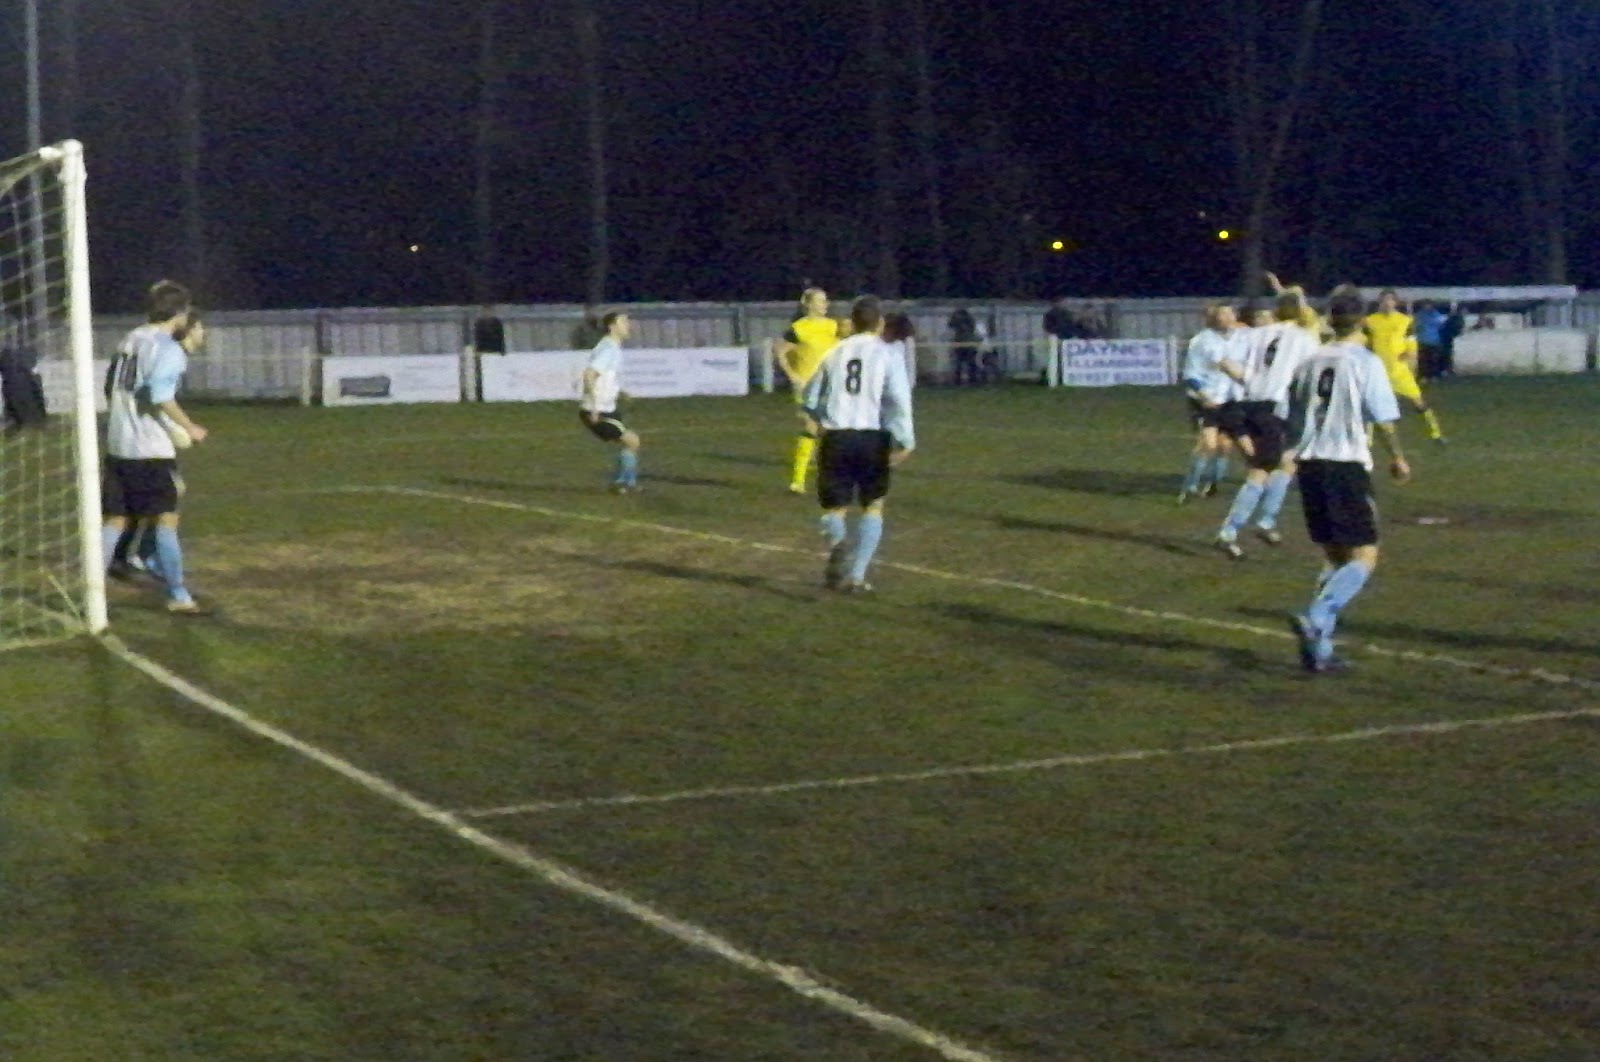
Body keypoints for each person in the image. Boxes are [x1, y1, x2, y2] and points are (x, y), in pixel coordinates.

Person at [1286, 294, 1410, 674]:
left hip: (1309, 464)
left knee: (1335, 556)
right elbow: (1382, 416)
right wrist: (1397, 457)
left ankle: (1319, 651)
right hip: (1345, 464)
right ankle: (1317, 615)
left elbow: (1291, 416)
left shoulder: (1307, 362)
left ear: (1329, 320)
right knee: (1365, 555)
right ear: (1363, 322)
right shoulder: (1365, 362)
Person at [102, 280, 210, 615]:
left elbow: (109, 387)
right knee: (166, 519)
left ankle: (91, 592)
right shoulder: (168, 349)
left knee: (116, 520)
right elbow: (161, 396)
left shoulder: (130, 339)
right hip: (148, 449)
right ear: (180, 313)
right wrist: (188, 427)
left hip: (118, 445)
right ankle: (178, 594)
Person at [800, 295, 915, 594]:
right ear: (879, 323)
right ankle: (856, 576)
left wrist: (821, 418)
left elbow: (809, 398)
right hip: (872, 438)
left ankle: (838, 544)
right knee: (873, 506)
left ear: (852, 322)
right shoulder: (887, 353)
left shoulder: (834, 352)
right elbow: (899, 400)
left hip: (836, 436)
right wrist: (906, 441)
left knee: (834, 508)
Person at [1212, 294, 1320, 558]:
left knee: (1288, 462)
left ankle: (1266, 521)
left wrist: (1252, 382)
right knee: (1260, 471)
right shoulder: (1304, 338)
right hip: (1277, 408)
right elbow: (1312, 375)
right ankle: (1228, 532)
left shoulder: (1254, 335)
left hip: (1251, 404)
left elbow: (1226, 362)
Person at [1177, 304, 1244, 503]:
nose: (1228, 317)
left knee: (1225, 445)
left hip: (1230, 399)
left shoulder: (1240, 338)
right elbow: (1190, 375)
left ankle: (1213, 484)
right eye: (1223, 314)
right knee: (1208, 444)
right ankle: (1189, 487)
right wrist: (1204, 397)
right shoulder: (1201, 341)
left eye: (1231, 313)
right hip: (1205, 399)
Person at [775, 288, 840, 494]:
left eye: (826, 300)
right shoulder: (799, 328)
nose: (826, 304)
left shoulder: (833, 326)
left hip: (831, 385)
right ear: (808, 304)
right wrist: (793, 376)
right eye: (821, 301)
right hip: (807, 386)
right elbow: (780, 351)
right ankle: (798, 480)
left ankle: (829, 472)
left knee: (829, 431)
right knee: (810, 427)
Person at [1365, 290, 1445, 442]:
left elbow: (1411, 341)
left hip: (1399, 370)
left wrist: (1410, 353)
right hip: (1379, 370)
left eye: (1390, 300)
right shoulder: (1370, 321)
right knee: (1371, 405)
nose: (1387, 303)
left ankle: (1435, 433)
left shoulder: (1405, 321)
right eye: (1384, 300)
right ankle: (1368, 440)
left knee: (1418, 402)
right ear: (1379, 303)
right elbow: (1366, 343)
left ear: (1395, 303)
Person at [578, 311, 641, 494]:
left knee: (631, 442)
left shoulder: (610, 346)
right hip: (597, 411)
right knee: (632, 441)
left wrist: (620, 392)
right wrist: (594, 406)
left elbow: (605, 377)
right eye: (624, 322)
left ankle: (627, 484)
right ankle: (621, 483)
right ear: (612, 326)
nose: (628, 325)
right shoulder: (609, 349)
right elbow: (589, 375)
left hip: (607, 408)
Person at [947, 307, 983, 386]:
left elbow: (970, 328)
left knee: (971, 363)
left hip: (969, 344)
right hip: (960, 344)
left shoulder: (969, 321)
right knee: (959, 364)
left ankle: (973, 380)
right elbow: (950, 325)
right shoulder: (957, 322)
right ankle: (958, 381)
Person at [1413, 300, 1447, 380]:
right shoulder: (1420, 315)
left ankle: (1433, 375)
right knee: (1423, 360)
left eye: (1428, 305)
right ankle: (1423, 376)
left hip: (1433, 340)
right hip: (1422, 340)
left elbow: (1442, 324)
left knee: (1433, 359)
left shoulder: (1436, 314)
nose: (1427, 306)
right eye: (1425, 305)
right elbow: (1416, 326)